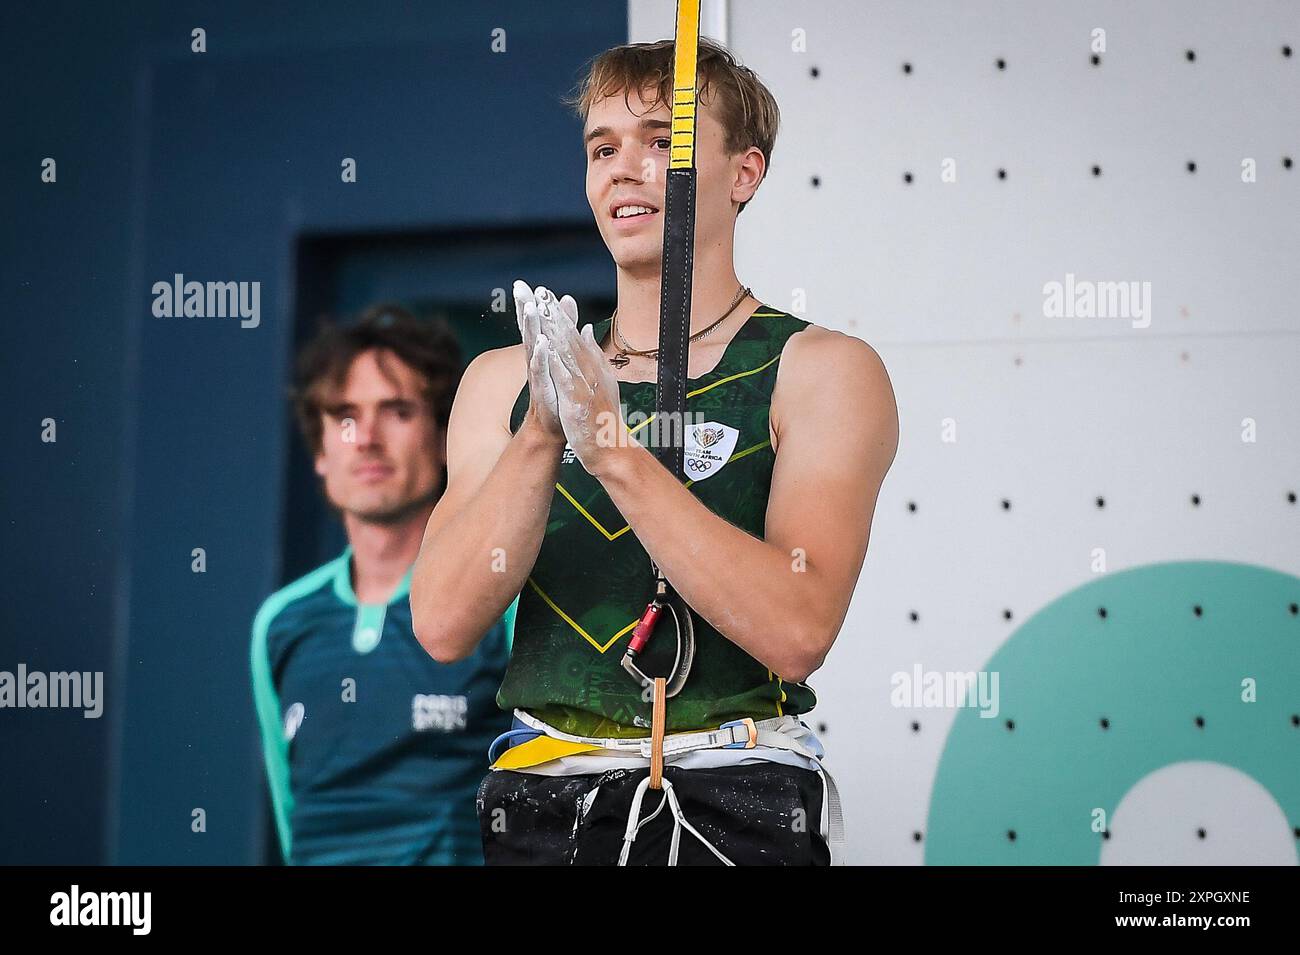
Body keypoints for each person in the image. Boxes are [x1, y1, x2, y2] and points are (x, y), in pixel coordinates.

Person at [411, 37, 898, 865]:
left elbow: (798, 626)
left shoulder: (821, 370)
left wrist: (616, 455)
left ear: (745, 174)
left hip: (737, 804)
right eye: (603, 148)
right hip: (545, 807)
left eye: (662, 142)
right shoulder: (504, 382)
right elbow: (443, 623)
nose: (623, 168)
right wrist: (541, 435)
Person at [251, 305, 513, 865]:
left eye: (396, 410)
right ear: (320, 451)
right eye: (344, 415)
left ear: (446, 438)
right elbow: (292, 821)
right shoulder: (280, 623)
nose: (366, 438)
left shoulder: (503, 598)